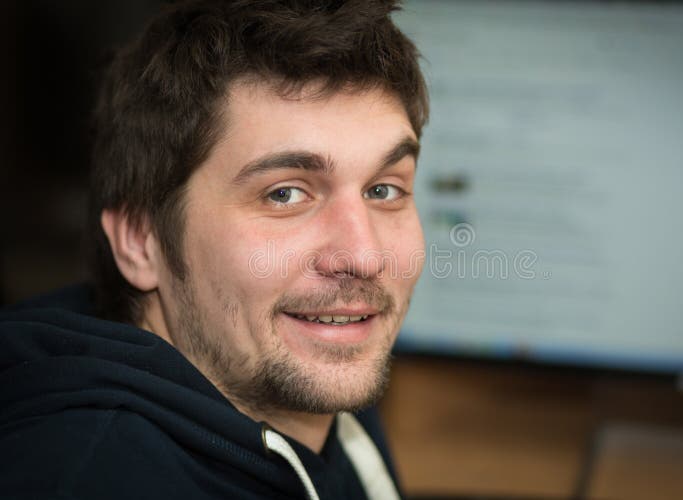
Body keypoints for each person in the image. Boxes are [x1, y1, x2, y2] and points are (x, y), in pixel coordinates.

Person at [0, 0, 428, 498]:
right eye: (284, 194)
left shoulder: (314, 379)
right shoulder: (88, 478)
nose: (365, 257)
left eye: (383, 190)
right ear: (140, 241)